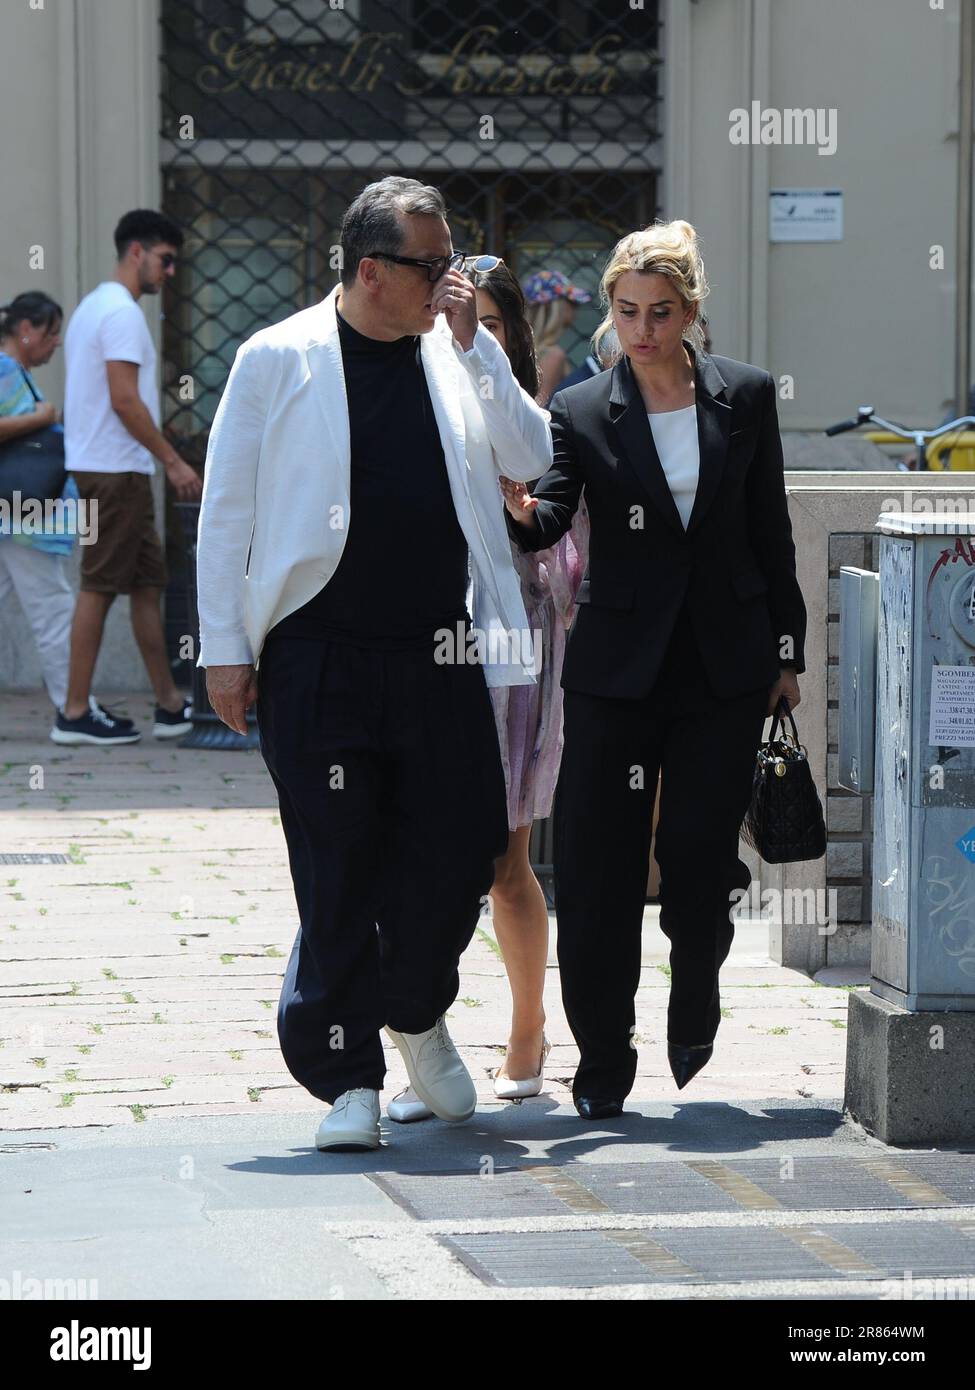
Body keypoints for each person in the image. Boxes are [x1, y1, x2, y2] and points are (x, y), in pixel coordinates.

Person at [196, 177, 553, 1152]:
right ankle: (345, 1075)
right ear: (370, 270)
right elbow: (226, 507)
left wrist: (479, 348)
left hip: (441, 648)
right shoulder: (278, 359)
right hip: (317, 651)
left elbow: (535, 451)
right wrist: (225, 649)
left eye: (455, 265)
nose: (451, 283)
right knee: (337, 860)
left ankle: (415, 1007)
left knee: (463, 846)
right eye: (432, 266)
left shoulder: (453, 353)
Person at [501, 220, 806, 1116]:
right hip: (615, 672)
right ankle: (602, 1055)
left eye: (659, 312)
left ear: (690, 311)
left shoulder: (743, 397)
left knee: (701, 859)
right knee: (595, 867)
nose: (642, 328)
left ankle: (695, 997)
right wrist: (521, 513)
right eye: (627, 311)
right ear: (611, 312)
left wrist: (784, 651)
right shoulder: (582, 409)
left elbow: (768, 529)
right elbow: (554, 512)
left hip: (722, 668)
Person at [386, 257, 590, 1125]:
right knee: (422, 861)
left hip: (510, 646)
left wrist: (521, 518)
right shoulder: (413, 405)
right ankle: (423, 1047)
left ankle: (527, 1030)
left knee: (507, 861)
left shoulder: (533, 427)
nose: (469, 336)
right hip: (424, 643)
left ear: (512, 334)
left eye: (493, 324)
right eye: (455, 321)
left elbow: (567, 562)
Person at [51, 210, 202, 747]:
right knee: (98, 586)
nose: (169, 273)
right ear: (136, 252)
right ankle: (72, 713)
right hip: (113, 473)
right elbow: (124, 400)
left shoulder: (94, 307)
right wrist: (174, 460)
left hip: (116, 470)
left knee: (145, 586)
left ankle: (167, 705)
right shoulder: (120, 314)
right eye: (165, 260)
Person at [0, 292, 132, 734]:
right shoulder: (4, 367)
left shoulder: (13, 370)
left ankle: (75, 708)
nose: (55, 343)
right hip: (23, 520)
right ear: (27, 330)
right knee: (54, 611)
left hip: (15, 517)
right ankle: (73, 712)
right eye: (51, 333)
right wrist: (44, 415)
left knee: (49, 609)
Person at [522, 270, 592, 405]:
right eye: (572, 303)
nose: (575, 310)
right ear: (557, 306)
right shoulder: (552, 356)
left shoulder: (520, 348)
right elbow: (542, 409)